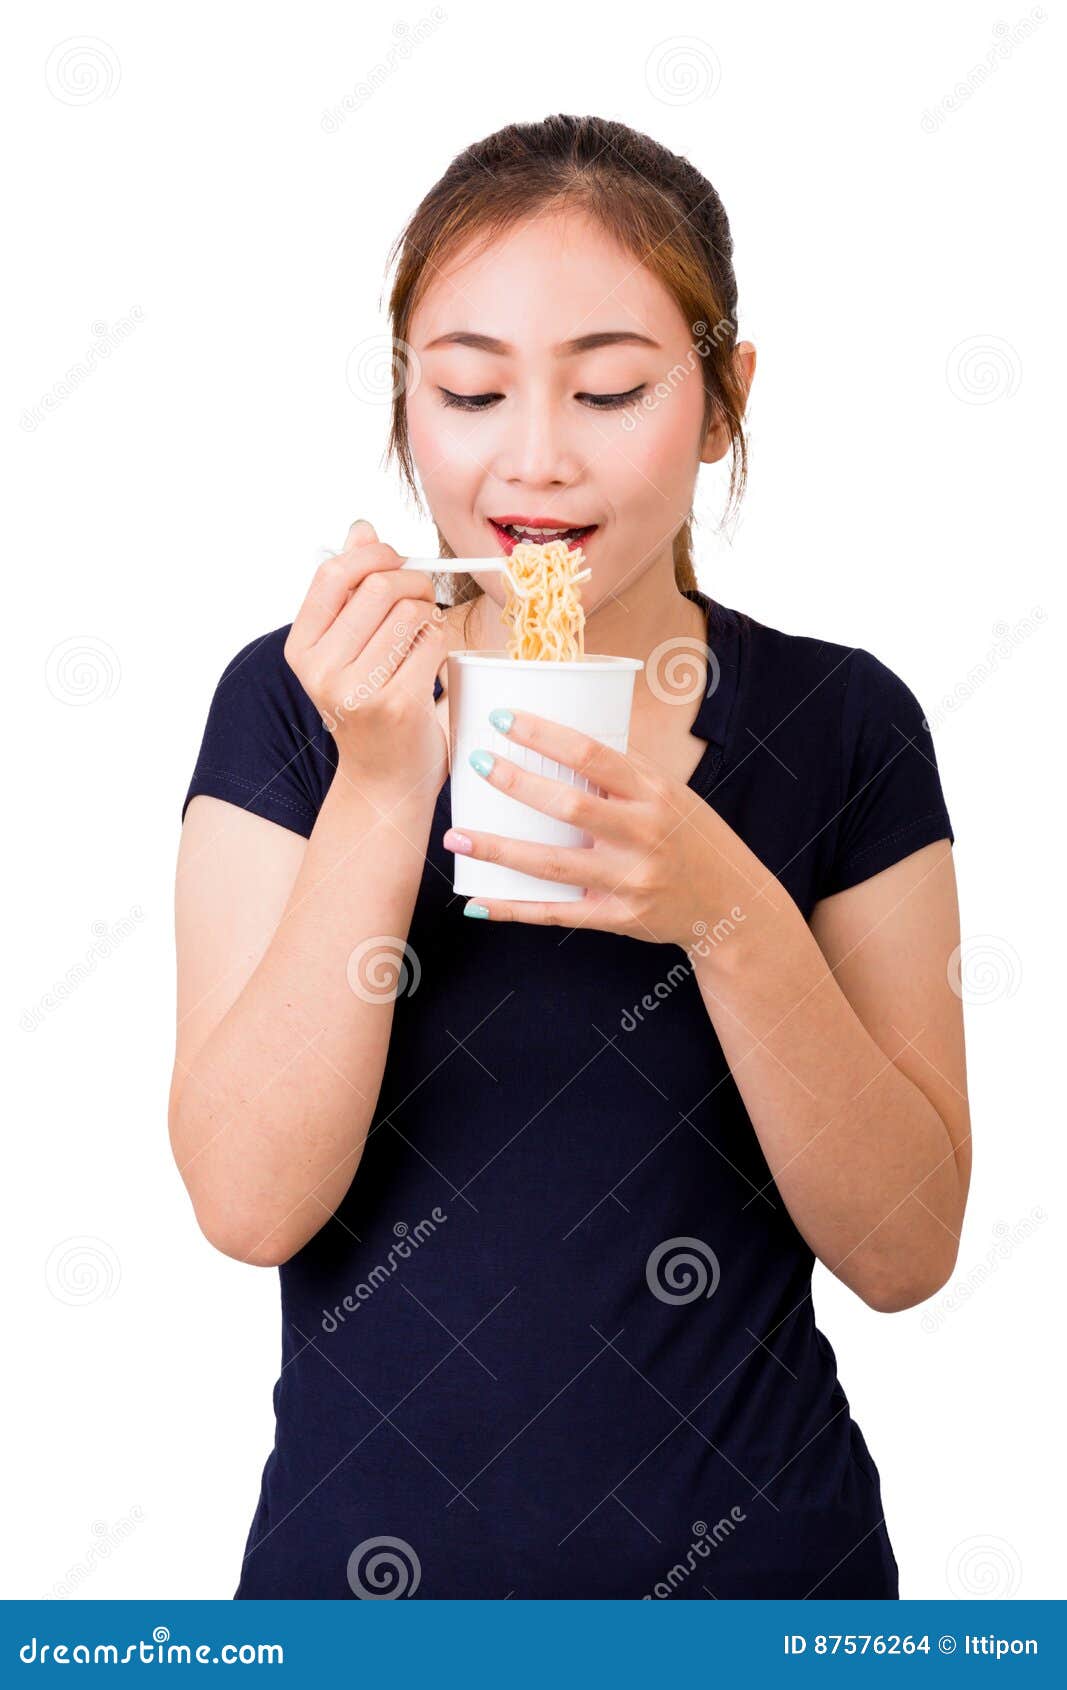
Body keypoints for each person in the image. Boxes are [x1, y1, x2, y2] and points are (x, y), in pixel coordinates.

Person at [170, 115, 970, 1599]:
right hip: (362, 1608)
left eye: (609, 390)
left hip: (767, 1605)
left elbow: (909, 1248)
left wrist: (723, 909)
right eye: (470, 390)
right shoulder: (291, 701)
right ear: (407, 400)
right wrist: (383, 782)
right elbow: (248, 1204)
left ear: (725, 401)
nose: (533, 459)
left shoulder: (846, 723)